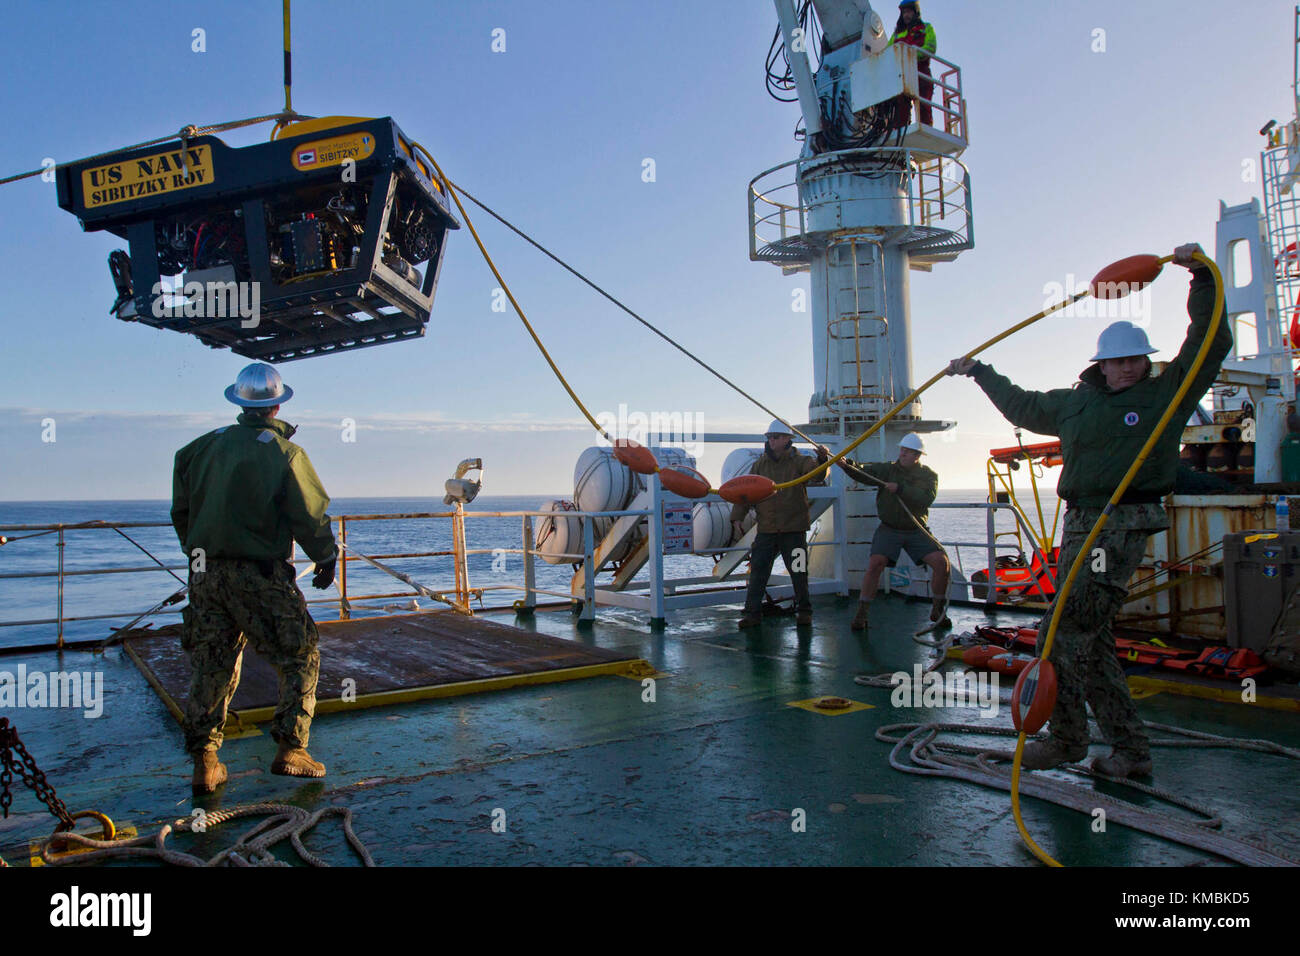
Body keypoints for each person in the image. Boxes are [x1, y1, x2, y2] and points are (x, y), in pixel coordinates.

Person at [947, 243, 1231, 778]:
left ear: (1147, 361)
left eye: (1134, 359)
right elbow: (1024, 405)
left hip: (1122, 523)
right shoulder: (1075, 402)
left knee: (1061, 632)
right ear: (1100, 365)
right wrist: (980, 371)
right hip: (1080, 522)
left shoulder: (1167, 394)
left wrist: (1200, 277)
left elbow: (1210, 342)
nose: (1126, 368)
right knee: (1094, 641)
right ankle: (1131, 752)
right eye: (1117, 361)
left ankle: (1067, 739)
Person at [172, 363, 339, 794]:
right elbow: (308, 514)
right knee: (300, 651)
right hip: (259, 574)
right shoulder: (285, 454)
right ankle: (291, 749)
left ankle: (206, 763)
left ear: (239, 402)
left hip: (205, 574)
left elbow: (182, 514)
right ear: (277, 405)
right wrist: (325, 557)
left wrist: (200, 553)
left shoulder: (199, 449)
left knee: (212, 662)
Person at [838, 433, 950, 633]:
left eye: (907, 451)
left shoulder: (929, 475)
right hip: (889, 528)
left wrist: (900, 488)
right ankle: (862, 614)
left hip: (916, 529)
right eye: (902, 450)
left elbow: (926, 498)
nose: (903, 454)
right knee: (875, 564)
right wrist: (846, 464)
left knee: (942, 563)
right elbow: (863, 473)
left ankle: (938, 610)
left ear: (918, 455)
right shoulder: (887, 469)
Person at [731, 421, 830, 628]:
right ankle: (752, 614)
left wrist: (823, 459)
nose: (771, 440)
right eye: (770, 437)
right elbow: (747, 491)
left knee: (799, 572)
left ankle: (805, 612)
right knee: (758, 571)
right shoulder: (759, 465)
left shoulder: (801, 461)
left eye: (775, 437)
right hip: (766, 529)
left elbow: (818, 474)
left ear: (787, 439)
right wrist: (737, 517)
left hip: (793, 530)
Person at [892, 1, 937, 127]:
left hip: (921, 73)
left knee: (924, 107)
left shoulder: (926, 28)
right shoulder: (897, 33)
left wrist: (911, 56)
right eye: (904, 12)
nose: (906, 15)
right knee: (900, 108)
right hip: (902, 76)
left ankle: (926, 130)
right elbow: (888, 52)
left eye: (909, 12)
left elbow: (930, 47)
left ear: (915, 12)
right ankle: (900, 131)